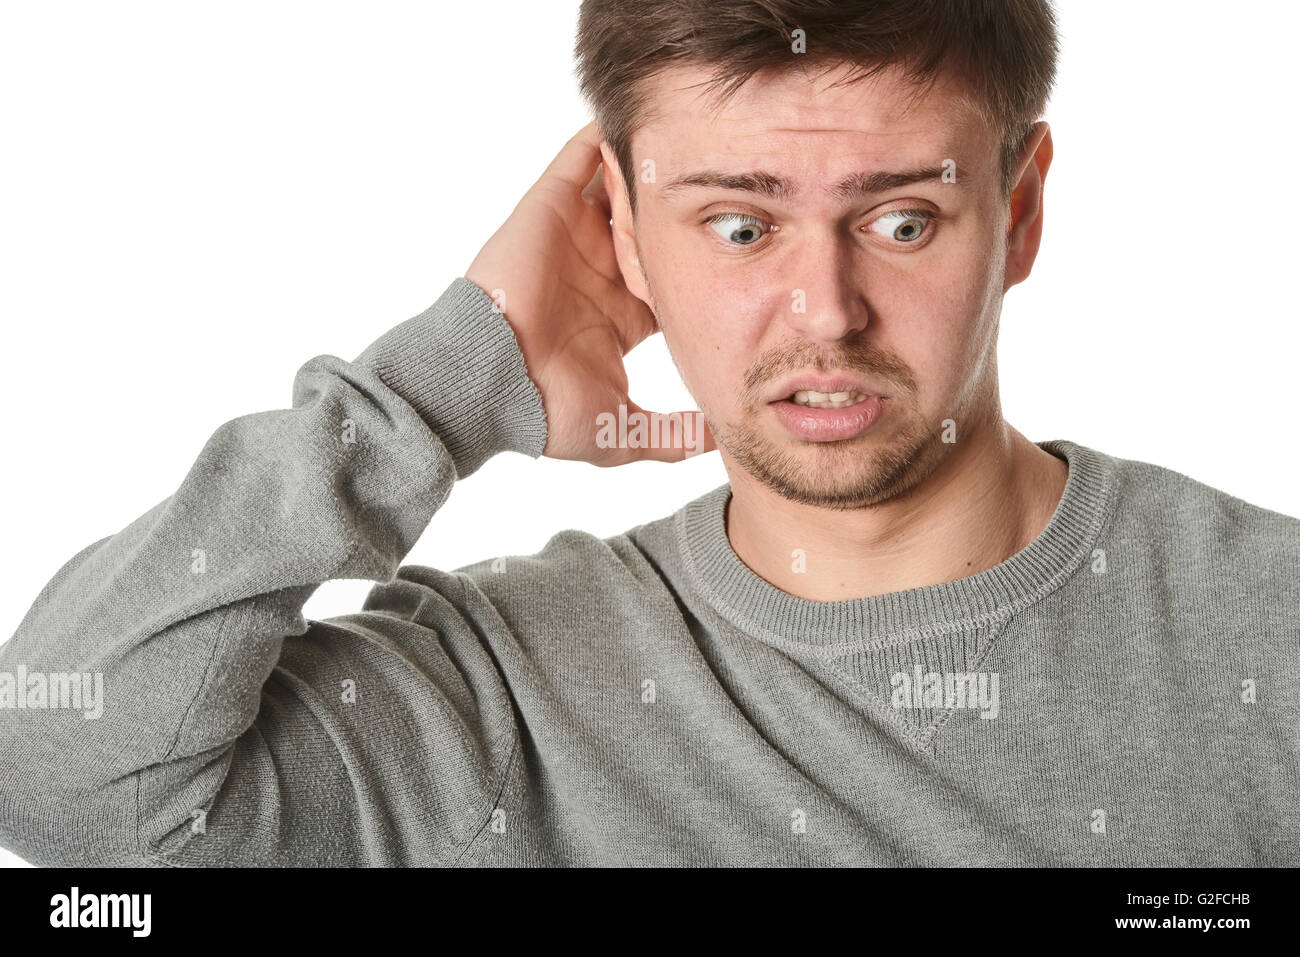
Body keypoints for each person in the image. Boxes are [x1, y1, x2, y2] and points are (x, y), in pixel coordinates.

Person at [1, 0, 1296, 867]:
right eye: (740, 224)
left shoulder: (1269, 633)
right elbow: (60, 762)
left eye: (901, 219)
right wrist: (442, 389)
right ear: (618, 225)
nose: (826, 313)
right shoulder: (501, 701)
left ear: (1018, 209)